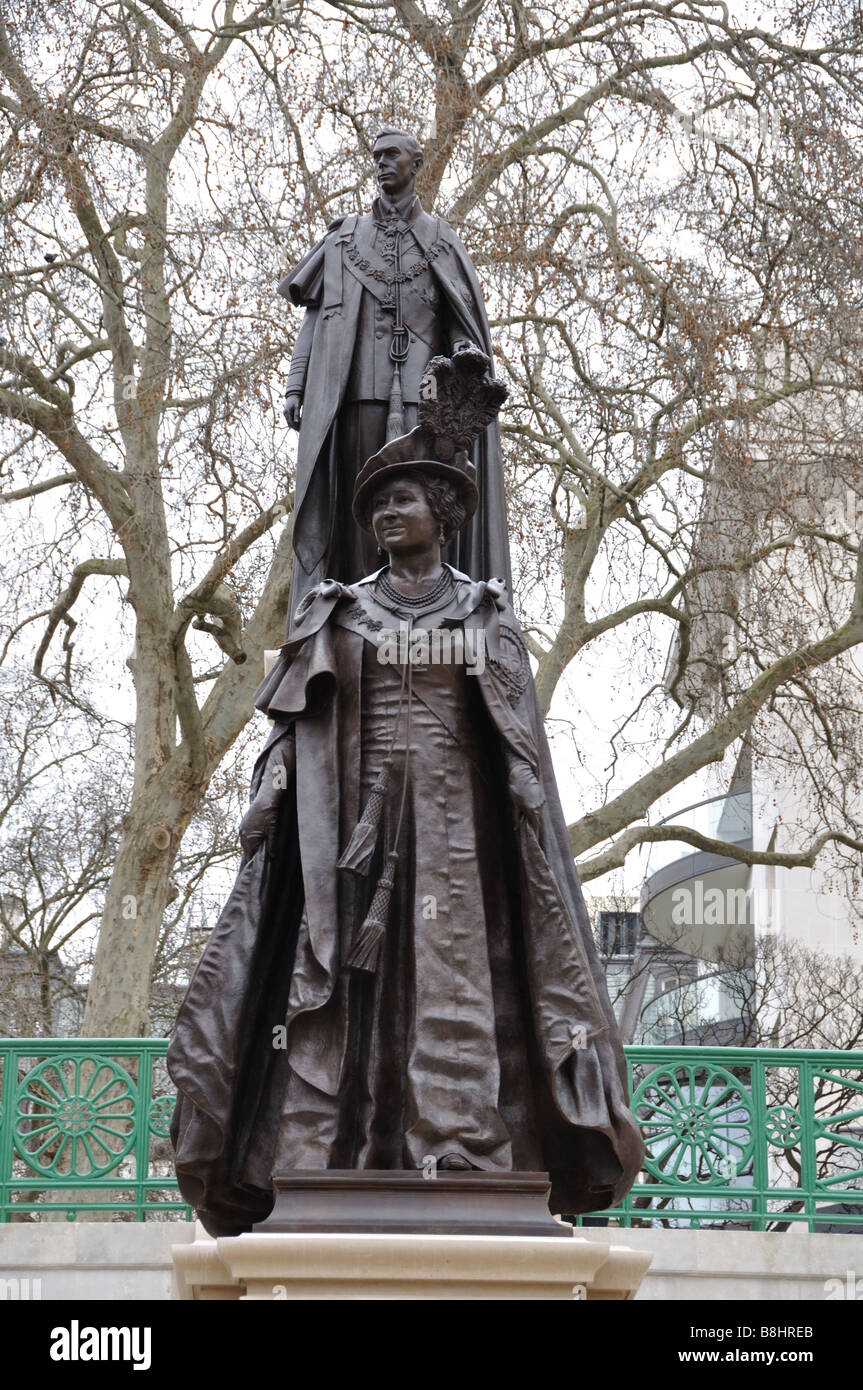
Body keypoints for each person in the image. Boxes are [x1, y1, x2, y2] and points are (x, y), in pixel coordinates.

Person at [168, 354, 643, 1236]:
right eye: (377, 504)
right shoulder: (337, 613)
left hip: (456, 834)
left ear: (446, 515)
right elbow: (293, 726)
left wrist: (526, 801)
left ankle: (456, 1150)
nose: (388, 514)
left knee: (452, 985)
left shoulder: (484, 613)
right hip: (348, 827)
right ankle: (324, 1154)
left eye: (405, 501)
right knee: (338, 984)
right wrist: (271, 790)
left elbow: (513, 730)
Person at [278, 128, 511, 621]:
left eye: (392, 156)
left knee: (420, 507)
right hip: (358, 393)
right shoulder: (344, 237)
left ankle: (421, 604)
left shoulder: (442, 240)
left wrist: (468, 360)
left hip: (426, 401)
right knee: (367, 503)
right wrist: (297, 384)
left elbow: (460, 322)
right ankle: (364, 609)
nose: (382, 163)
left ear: (415, 163)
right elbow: (315, 321)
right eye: (376, 156)